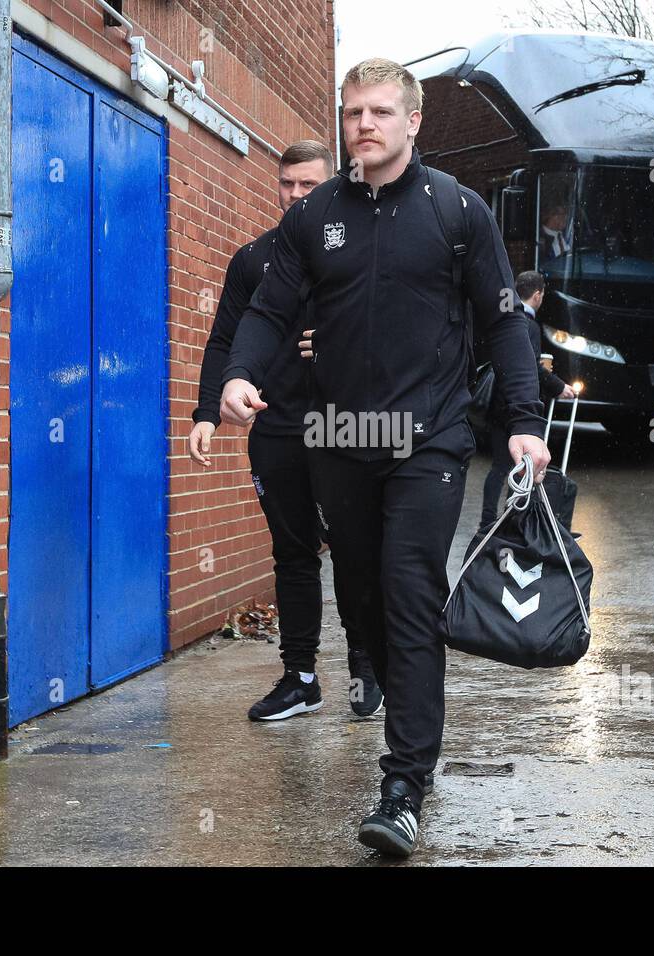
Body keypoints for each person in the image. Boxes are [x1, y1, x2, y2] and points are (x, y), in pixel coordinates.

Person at [219, 57, 550, 858]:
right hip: (337, 437)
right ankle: (378, 673)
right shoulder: (314, 217)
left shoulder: (457, 212)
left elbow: (504, 323)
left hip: (429, 440)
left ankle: (404, 783)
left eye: (379, 112)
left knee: (407, 590)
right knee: (359, 589)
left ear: (412, 122)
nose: (363, 124)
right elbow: (268, 307)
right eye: (352, 112)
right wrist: (236, 373)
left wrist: (522, 419)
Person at [189, 140, 383, 722]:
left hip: (343, 426)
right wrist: (206, 412)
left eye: (309, 186)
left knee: (352, 549)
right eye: (287, 184)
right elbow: (225, 338)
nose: (296, 196)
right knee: (292, 554)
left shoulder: (360, 251)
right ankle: (300, 678)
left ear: (332, 187)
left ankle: (365, 664)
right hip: (275, 427)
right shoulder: (254, 260)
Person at [479, 271, 573, 531]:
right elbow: (529, 366)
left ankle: (488, 519)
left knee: (499, 465)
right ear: (538, 295)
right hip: (515, 409)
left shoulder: (503, 318)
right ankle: (511, 519)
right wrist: (558, 387)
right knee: (518, 466)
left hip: (497, 405)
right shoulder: (526, 326)